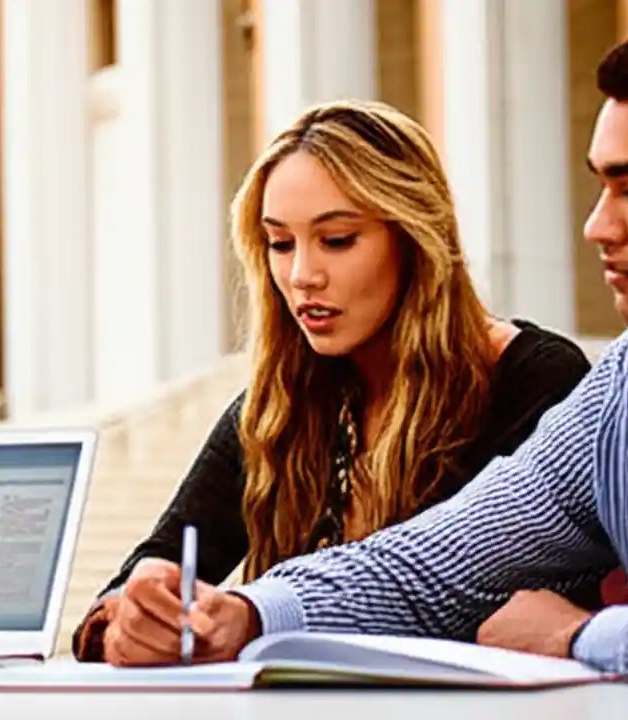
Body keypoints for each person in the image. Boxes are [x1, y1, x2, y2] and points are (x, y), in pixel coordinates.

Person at [112, 10, 628, 693]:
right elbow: (441, 560)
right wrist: (248, 613)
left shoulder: (538, 374)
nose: (596, 227)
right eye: (279, 243)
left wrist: (574, 637)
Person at [72, 99, 592, 663]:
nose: (302, 276)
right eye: (280, 243)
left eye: (338, 239)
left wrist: (248, 616)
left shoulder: (536, 379)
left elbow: (460, 590)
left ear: (415, 241)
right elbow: (141, 577)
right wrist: (133, 617)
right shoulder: (274, 409)